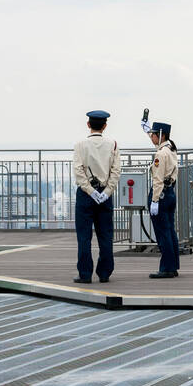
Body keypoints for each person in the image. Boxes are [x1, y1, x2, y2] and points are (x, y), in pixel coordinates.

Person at [73, 110, 120, 283]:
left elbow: (78, 172)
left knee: (84, 237)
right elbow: (116, 172)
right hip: (105, 195)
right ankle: (105, 272)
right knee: (106, 235)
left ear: (88, 125)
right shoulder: (113, 144)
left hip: (86, 195)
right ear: (105, 126)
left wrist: (90, 191)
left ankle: (85, 274)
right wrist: (106, 192)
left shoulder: (80, 145)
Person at [145, 120, 180, 279]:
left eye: (153, 134)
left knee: (162, 232)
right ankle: (173, 265)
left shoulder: (160, 154)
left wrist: (154, 200)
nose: (151, 136)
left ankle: (166, 268)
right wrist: (145, 128)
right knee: (170, 231)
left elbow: (157, 179)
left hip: (162, 194)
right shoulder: (171, 149)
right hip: (170, 192)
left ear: (161, 135)